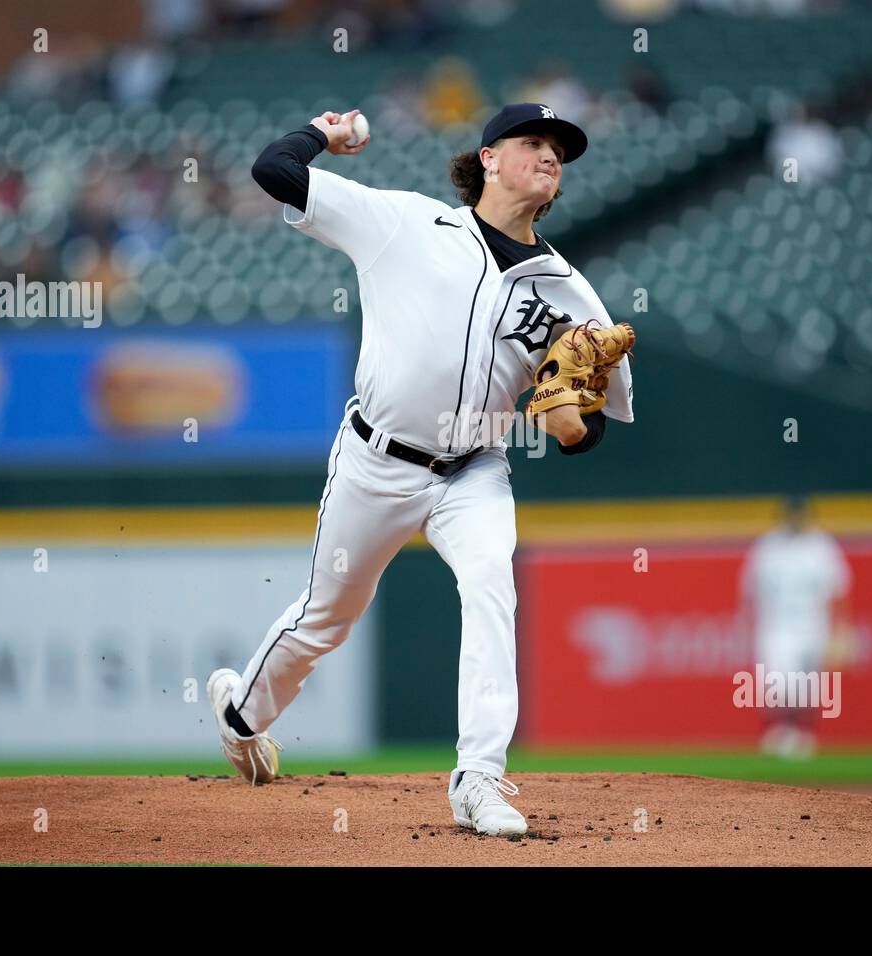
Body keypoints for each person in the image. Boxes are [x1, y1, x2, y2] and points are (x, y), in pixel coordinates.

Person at [206, 103, 635, 837]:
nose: (550, 155)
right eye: (533, 142)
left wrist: (571, 426)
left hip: (474, 471)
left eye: (560, 149)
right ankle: (244, 714)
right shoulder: (405, 223)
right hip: (375, 461)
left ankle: (479, 780)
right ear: (489, 157)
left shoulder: (570, 294)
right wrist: (323, 136)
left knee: (492, 585)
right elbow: (273, 171)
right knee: (326, 619)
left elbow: (591, 425)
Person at [739, 496, 850, 759]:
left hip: (813, 626)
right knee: (781, 683)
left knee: (809, 686)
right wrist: (748, 625)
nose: (796, 520)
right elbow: (749, 591)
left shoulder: (822, 546)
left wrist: (842, 629)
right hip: (776, 627)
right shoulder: (767, 547)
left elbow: (839, 589)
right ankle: (781, 730)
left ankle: (803, 734)